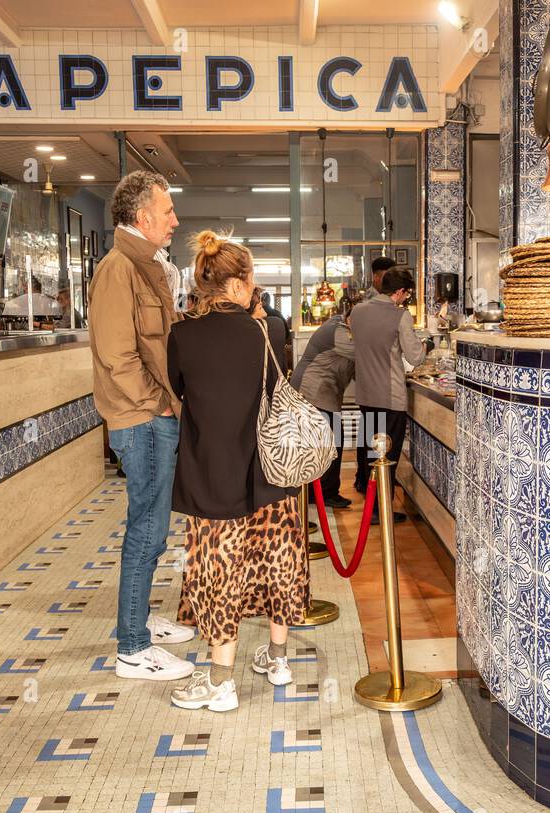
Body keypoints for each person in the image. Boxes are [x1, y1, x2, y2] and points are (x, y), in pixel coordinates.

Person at [166, 231, 307, 713]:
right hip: (273, 471)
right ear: (243, 283)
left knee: (219, 570)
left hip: (212, 474)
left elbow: (180, 391)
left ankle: (220, 681)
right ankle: (279, 659)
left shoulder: (181, 335)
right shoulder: (269, 330)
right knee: (276, 562)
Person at [88, 170, 195, 681]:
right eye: (167, 210)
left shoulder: (145, 267)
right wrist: (159, 405)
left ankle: (141, 619)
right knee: (147, 530)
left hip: (153, 415)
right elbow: (117, 355)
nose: (175, 220)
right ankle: (132, 647)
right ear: (141, 216)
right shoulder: (117, 269)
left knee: (153, 530)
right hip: (142, 419)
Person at [350, 266, 424, 523]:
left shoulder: (357, 312)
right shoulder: (400, 316)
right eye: (407, 294)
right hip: (390, 396)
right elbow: (415, 356)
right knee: (387, 458)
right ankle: (380, 511)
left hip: (366, 393)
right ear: (400, 291)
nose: (406, 299)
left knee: (372, 454)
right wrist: (425, 345)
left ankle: (372, 507)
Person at [293, 310, 354, 509]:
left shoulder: (345, 328)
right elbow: (366, 353)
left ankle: (320, 491)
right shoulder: (338, 330)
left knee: (329, 441)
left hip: (323, 390)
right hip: (313, 389)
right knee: (329, 441)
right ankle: (322, 493)